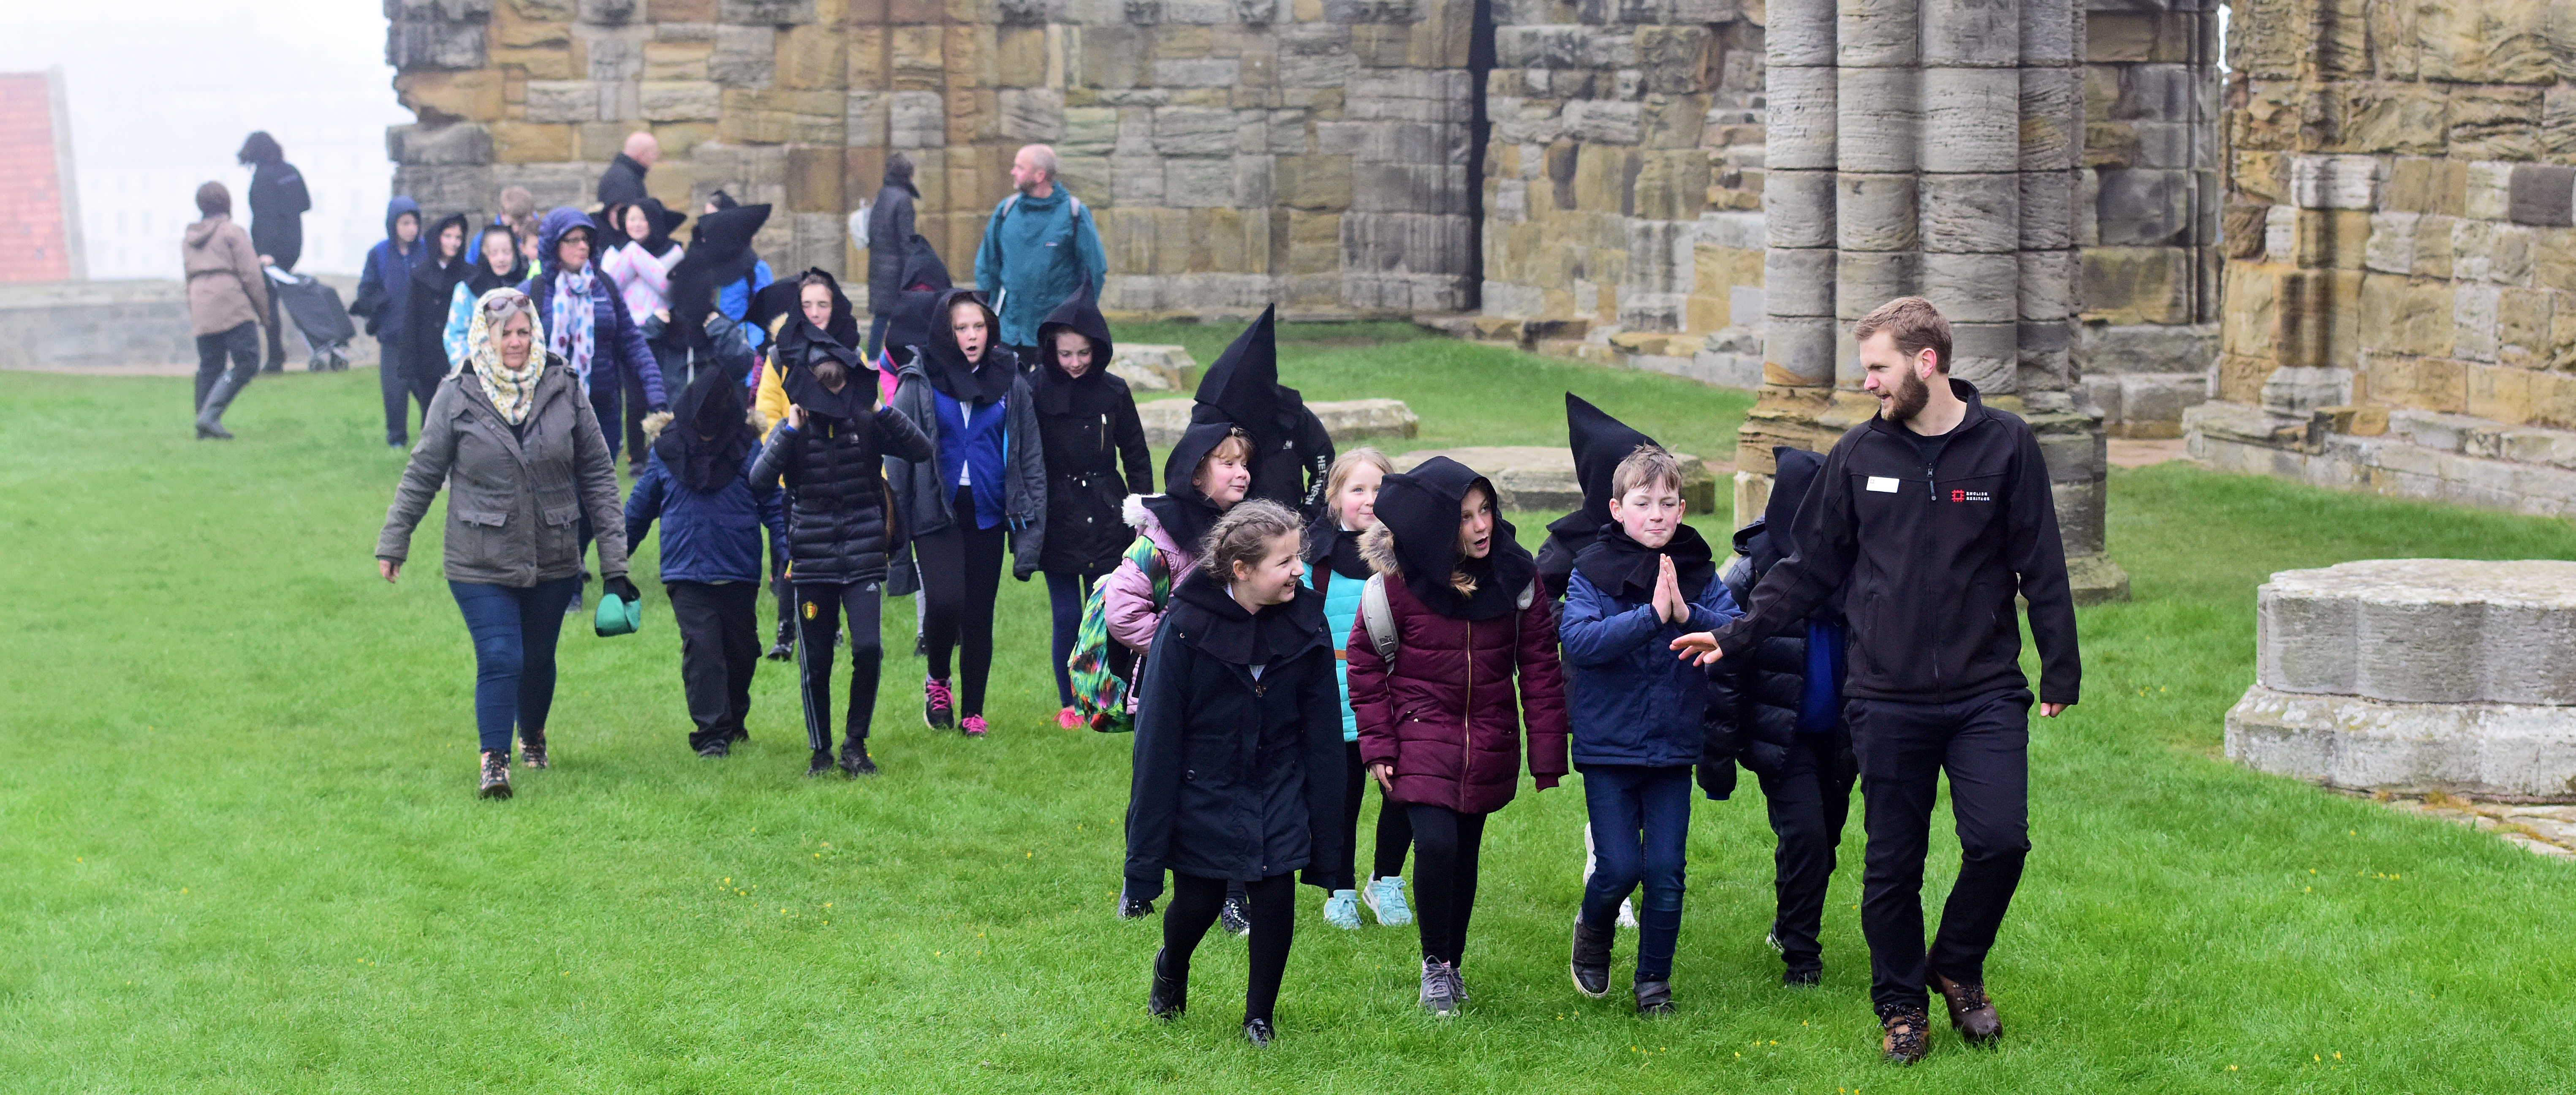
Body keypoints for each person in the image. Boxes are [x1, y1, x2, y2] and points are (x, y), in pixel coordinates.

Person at [1671, 296, 2081, 1065]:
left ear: (1927, 363)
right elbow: (1807, 566)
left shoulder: (2007, 446)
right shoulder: (1860, 455)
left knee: (2000, 841)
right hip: (1885, 695)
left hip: (1984, 687)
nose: (1870, 385)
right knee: (1893, 861)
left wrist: (2061, 662)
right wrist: (1737, 635)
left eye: (1879, 368)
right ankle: (1901, 1005)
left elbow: (2043, 561)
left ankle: (1956, 962)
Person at [375, 288, 636, 799]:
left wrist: (615, 564)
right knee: (500, 655)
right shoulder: (456, 393)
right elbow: (423, 471)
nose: (516, 342)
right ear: (485, 336)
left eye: (524, 332)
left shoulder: (563, 385)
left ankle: (532, 734)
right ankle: (494, 763)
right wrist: (394, 540)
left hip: (555, 550)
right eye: (505, 333)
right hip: (478, 556)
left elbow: (600, 478)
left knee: (537, 658)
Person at [1348, 455, 1569, 1017]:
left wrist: (1547, 756)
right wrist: (1377, 745)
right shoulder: (1396, 585)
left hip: (1487, 737)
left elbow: (1540, 664)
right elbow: (1366, 663)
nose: (1481, 526)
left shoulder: (1517, 578)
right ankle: (1432, 966)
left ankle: (1453, 964)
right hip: (1419, 730)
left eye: (1486, 511)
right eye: (1466, 517)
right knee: (1438, 843)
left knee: (1464, 854)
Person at [1125, 499, 1345, 1049]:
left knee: (1274, 898)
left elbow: (1322, 732)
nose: (1300, 569)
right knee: (1197, 903)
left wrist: (1331, 836)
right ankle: (1172, 966)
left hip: (1278, 782)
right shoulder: (1183, 623)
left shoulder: (1307, 618)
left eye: (1300, 556)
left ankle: (1258, 1019)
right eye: (1285, 560)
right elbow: (1157, 741)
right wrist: (1144, 860)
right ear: (1242, 571)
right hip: (1204, 784)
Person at [1558, 442, 1743, 1016]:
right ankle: (1593, 930)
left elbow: (1740, 634)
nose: (1657, 515)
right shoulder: (1592, 570)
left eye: (1668, 503)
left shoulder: (1697, 573)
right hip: (1609, 746)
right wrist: (1651, 617)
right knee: (1619, 865)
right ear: (1618, 510)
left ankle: (1654, 983)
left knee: (1665, 874)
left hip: (1671, 745)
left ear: (1683, 509)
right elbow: (1581, 642)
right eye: (1643, 503)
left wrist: (1689, 616)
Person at [751, 277, 938, 776]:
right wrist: (788, 431)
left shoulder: (867, 420)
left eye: (840, 384)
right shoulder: (796, 429)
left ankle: (856, 743)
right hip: (811, 560)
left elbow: (921, 449)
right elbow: (759, 480)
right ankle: (821, 750)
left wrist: (878, 408)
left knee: (869, 649)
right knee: (815, 661)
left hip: (862, 555)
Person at [1706, 444, 1856, 989]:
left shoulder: (1855, 568)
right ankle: (1802, 958)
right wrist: (1718, 755)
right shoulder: (1750, 571)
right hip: (1780, 734)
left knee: (1826, 839)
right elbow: (1721, 666)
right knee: (1805, 836)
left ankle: (1787, 922)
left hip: (1840, 738)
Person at [1104, 420, 1254, 923]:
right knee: (1157, 784)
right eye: (1228, 463)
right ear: (1196, 474)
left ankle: (1234, 895)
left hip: (1232, 689)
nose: (1242, 473)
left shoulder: (1251, 530)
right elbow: (1123, 609)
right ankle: (1140, 884)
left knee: (1234, 786)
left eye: (1245, 463)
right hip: (1168, 689)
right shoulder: (1162, 535)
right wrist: (1178, 653)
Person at [885, 288, 1045, 738]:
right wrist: (895, 522)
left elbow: (1029, 455)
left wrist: (1031, 532)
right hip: (935, 507)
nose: (971, 336)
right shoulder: (918, 381)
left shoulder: (1009, 381)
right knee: (944, 601)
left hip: (990, 510)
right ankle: (938, 680)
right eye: (961, 328)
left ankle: (973, 710)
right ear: (945, 331)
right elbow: (897, 453)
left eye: (978, 326)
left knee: (978, 612)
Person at [628, 365, 787, 759]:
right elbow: (639, 509)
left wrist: (789, 554)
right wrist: (616, 560)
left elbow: (773, 506)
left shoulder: (749, 450)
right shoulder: (666, 451)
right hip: (687, 570)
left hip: (739, 568)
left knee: (743, 650)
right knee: (703, 652)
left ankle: (734, 722)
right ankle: (711, 734)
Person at [1298, 447, 1415, 932]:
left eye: (1380, 489)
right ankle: (1339, 888)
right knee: (1339, 798)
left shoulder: (1407, 556)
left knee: (1404, 791)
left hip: (1395, 696)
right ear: (1335, 497)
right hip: (1335, 697)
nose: (1369, 500)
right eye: (1357, 489)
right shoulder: (1313, 559)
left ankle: (1385, 880)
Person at [1029, 282, 1152, 730]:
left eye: (1083, 353)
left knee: (1106, 610)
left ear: (1097, 350)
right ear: (1052, 351)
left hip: (1106, 511)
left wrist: (1142, 513)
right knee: (1066, 612)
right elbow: (1025, 454)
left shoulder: (1115, 392)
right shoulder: (1034, 390)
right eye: (1066, 354)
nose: (1075, 363)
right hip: (1058, 513)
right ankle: (1070, 702)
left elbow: (1136, 454)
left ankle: (1106, 697)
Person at [746, 268, 870, 669]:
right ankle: (785, 629)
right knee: (793, 553)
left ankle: (832, 624)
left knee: (840, 553)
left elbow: (870, 409)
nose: (815, 312)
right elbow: (766, 410)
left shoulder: (853, 352)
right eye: (807, 305)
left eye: (823, 304)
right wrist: (781, 452)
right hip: (796, 467)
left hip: (847, 467)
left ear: (835, 308)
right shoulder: (781, 354)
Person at [524, 206, 670, 465]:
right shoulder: (533, 291)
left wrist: (656, 394)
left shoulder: (605, 286)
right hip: (547, 410)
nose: (583, 246)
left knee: (599, 492)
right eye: (573, 240)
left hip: (603, 410)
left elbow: (632, 342)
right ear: (553, 245)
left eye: (587, 240)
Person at [1189, 306, 1335, 518]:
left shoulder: (1293, 414)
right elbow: (1189, 473)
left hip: (1290, 524)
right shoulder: (1210, 417)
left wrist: (1310, 513)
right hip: (1227, 527)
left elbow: (1325, 465)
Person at [973, 143, 1107, 364]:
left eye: (1019, 167)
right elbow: (987, 266)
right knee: (1010, 395)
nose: (1013, 172)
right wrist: (986, 314)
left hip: (1056, 332)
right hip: (1010, 331)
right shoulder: (1007, 211)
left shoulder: (1073, 213)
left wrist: (1080, 319)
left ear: (1040, 175)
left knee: (1053, 397)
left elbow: (1095, 271)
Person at [600, 198, 688, 464]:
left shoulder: (673, 252)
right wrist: (633, 254)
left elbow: (668, 286)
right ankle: (636, 456)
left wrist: (635, 257)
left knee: (666, 393)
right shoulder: (615, 251)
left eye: (642, 218)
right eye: (631, 219)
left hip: (666, 332)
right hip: (630, 333)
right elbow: (607, 286)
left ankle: (664, 448)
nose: (636, 225)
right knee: (635, 398)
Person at [181, 181, 269, 441]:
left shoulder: (188, 239)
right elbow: (251, 274)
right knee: (247, 361)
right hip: (231, 301)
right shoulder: (232, 232)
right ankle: (210, 416)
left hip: (201, 302)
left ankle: (203, 423)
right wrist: (264, 313)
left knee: (210, 365)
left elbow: (187, 277)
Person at [351, 197, 421, 449]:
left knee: (427, 393)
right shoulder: (378, 254)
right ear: (394, 224)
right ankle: (396, 439)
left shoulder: (426, 251)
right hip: (392, 337)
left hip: (421, 338)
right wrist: (379, 305)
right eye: (405, 223)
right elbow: (366, 290)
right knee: (394, 392)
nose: (411, 228)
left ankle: (431, 439)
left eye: (414, 223)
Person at [237, 131, 308, 373]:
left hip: (270, 249)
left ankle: (276, 357)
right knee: (284, 295)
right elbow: (305, 204)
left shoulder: (263, 178)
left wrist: (265, 252)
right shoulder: (290, 171)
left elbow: (265, 217)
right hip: (294, 244)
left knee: (268, 303)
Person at [400, 214, 472, 426]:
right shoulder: (420, 273)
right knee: (430, 412)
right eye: (448, 236)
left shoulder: (469, 274)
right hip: (427, 358)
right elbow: (411, 319)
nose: (454, 242)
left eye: (458, 238)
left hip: (457, 355)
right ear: (437, 239)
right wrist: (409, 360)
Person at [446, 221, 531, 368]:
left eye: (507, 252)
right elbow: (455, 335)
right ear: (484, 254)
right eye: (494, 253)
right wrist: (471, 366)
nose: (501, 259)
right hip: (477, 372)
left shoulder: (524, 287)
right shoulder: (467, 290)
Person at [864, 153, 920, 360]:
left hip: (879, 265)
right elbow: (907, 239)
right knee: (906, 315)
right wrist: (913, 269)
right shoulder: (903, 199)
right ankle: (905, 358)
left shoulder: (883, 194)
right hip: (897, 269)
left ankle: (872, 359)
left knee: (882, 316)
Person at [598, 131, 658, 207]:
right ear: (641, 153)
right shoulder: (622, 180)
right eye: (654, 153)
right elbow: (624, 215)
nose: (655, 157)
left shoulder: (626, 174)